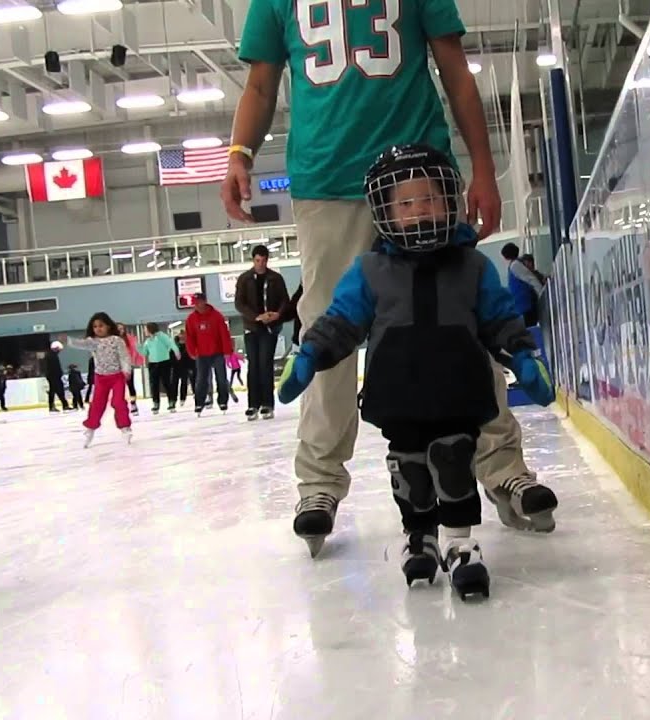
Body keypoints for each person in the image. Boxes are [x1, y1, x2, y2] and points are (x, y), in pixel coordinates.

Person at [224, 0, 559, 549]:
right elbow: (260, 85)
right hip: (327, 179)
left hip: (423, 174)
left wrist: (482, 166)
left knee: (463, 317)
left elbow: (454, 65)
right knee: (327, 329)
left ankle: (501, 467)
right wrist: (240, 152)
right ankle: (320, 482)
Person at [277, 146, 555, 596]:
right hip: (399, 394)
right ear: (385, 212)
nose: (420, 210)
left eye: (430, 199)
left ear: (451, 202)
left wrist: (522, 356)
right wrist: (310, 355)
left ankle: (461, 545)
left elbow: (499, 319)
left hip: (460, 390)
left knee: (453, 462)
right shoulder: (370, 269)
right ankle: (419, 537)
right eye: (406, 203)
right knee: (411, 472)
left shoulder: (472, 266)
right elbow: (342, 320)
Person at [233, 244, 289, 420]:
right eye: (258, 260)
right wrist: (256, 317)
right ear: (253, 260)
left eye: (264, 261)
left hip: (270, 329)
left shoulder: (275, 278)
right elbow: (239, 303)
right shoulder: (244, 279)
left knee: (265, 364)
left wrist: (277, 314)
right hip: (252, 328)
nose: (261, 264)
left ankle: (267, 404)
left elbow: (284, 300)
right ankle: (252, 404)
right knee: (254, 366)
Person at [61, 313, 133, 447]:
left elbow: (124, 356)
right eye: (95, 326)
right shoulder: (93, 341)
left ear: (108, 326)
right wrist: (69, 340)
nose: (98, 329)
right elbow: (80, 344)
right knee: (97, 405)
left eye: (101, 326)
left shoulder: (117, 340)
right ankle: (90, 429)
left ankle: (125, 428)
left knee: (118, 402)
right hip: (100, 378)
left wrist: (126, 370)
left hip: (117, 376)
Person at [184, 293, 234, 415]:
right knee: (201, 380)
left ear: (205, 301)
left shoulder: (217, 316)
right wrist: (192, 351)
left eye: (200, 302)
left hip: (217, 353)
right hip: (201, 354)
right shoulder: (191, 319)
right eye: (196, 303)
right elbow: (189, 337)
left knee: (221, 378)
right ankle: (199, 403)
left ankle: (223, 401)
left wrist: (227, 351)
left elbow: (224, 334)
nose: (198, 305)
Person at [140, 322, 180, 413]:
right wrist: (138, 348)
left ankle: (171, 401)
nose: (144, 331)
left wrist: (177, 351)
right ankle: (156, 403)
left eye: (145, 329)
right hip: (153, 364)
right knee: (154, 385)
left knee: (166, 383)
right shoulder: (148, 341)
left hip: (164, 362)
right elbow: (144, 353)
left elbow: (171, 343)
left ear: (150, 329)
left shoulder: (161, 336)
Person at [502, 243, 544, 328]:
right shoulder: (514, 265)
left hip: (525, 306)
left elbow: (531, 279)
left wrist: (541, 293)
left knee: (529, 328)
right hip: (522, 306)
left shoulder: (515, 266)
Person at [117, 323, 145, 415]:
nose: (121, 330)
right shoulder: (112, 339)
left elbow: (135, 350)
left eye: (122, 328)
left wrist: (133, 361)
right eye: (118, 329)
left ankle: (133, 404)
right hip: (116, 367)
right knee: (118, 388)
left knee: (130, 385)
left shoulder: (129, 338)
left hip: (128, 366)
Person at [45, 340, 71, 413]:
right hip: (54, 376)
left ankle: (63, 405)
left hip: (53, 376)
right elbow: (55, 367)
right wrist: (59, 374)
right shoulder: (52, 356)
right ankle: (60, 405)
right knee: (55, 391)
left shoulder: (51, 355)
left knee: (56, 391)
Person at [175, 332, 195, 405]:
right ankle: (182, 398)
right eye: (181, 335)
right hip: (182, 366)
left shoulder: (189, 345)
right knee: (184, 382)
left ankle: (195, 394)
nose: (182, 337)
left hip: (190, 365)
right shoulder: (177, 345)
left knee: (193, 381)